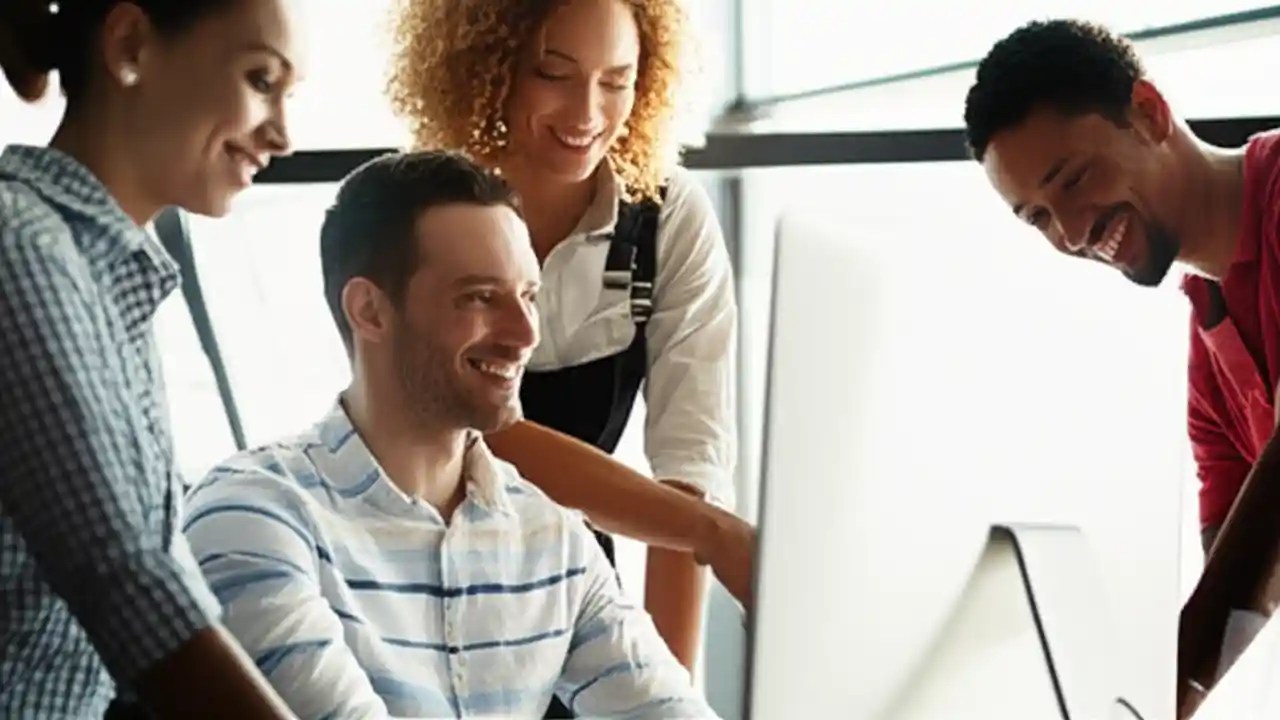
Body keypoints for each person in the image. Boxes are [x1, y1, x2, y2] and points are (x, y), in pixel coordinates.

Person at [183, 150, 722, 719]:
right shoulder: (251, 517)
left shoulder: (551, 537)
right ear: (369, 311)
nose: (524, 335)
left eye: (529, 296)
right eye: (480, 298)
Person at [386, 0, 746, 675]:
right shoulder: (419, 215)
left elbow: (687, 474)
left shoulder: (667, 222)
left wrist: (672, 695)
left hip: (577, 599)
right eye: (555, 74)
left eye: (616, 81)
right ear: (494, 69)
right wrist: (712, 534)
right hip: (416, 597)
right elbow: (483, 432)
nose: (587, 114)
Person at [963, 18, 1280, 717]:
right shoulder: (1211, 358)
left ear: (1148, 113)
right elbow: (1239, 597)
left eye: (1073, 179)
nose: (1073, 233)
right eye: (1039, 218)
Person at [0, 1, 307, 718]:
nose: (284, 134)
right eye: (260, 79)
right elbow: (124, 577)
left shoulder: (104, 272)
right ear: (131, 44)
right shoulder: (21, 248)